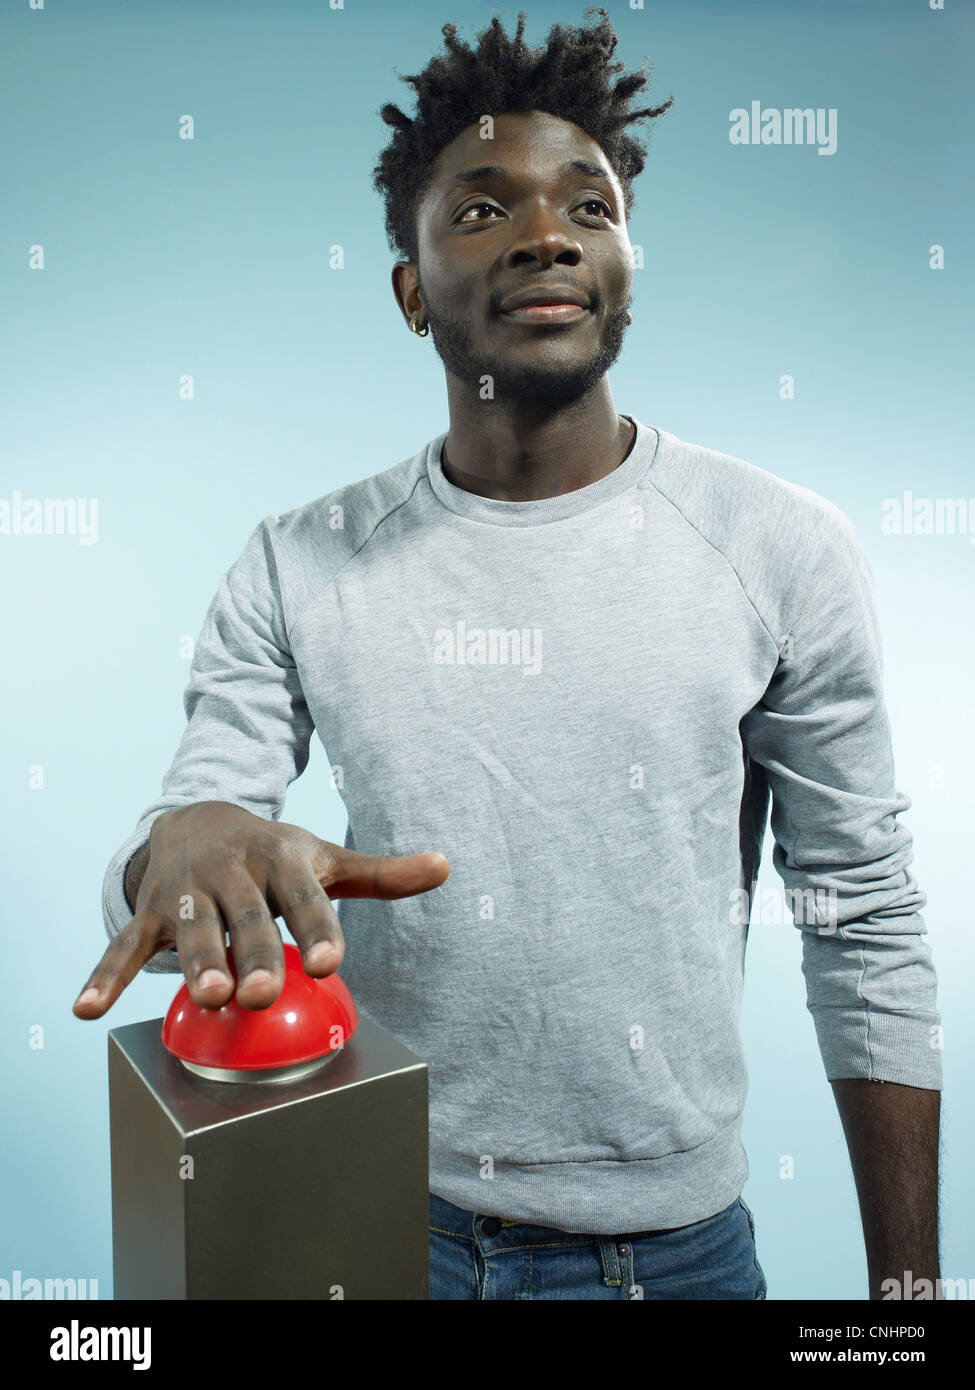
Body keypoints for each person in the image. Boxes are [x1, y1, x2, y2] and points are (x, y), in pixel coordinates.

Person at [74, 9, 942, 1301]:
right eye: (482, 209)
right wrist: (173, 847)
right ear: (410, 290)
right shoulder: (297, 560)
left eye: (589, 205)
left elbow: (863, 918)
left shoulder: (781, 548)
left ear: (629, 262)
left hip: (675, 1255)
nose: (548, 231)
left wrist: (910, 1301)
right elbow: (190, 843)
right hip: (375, 1218)